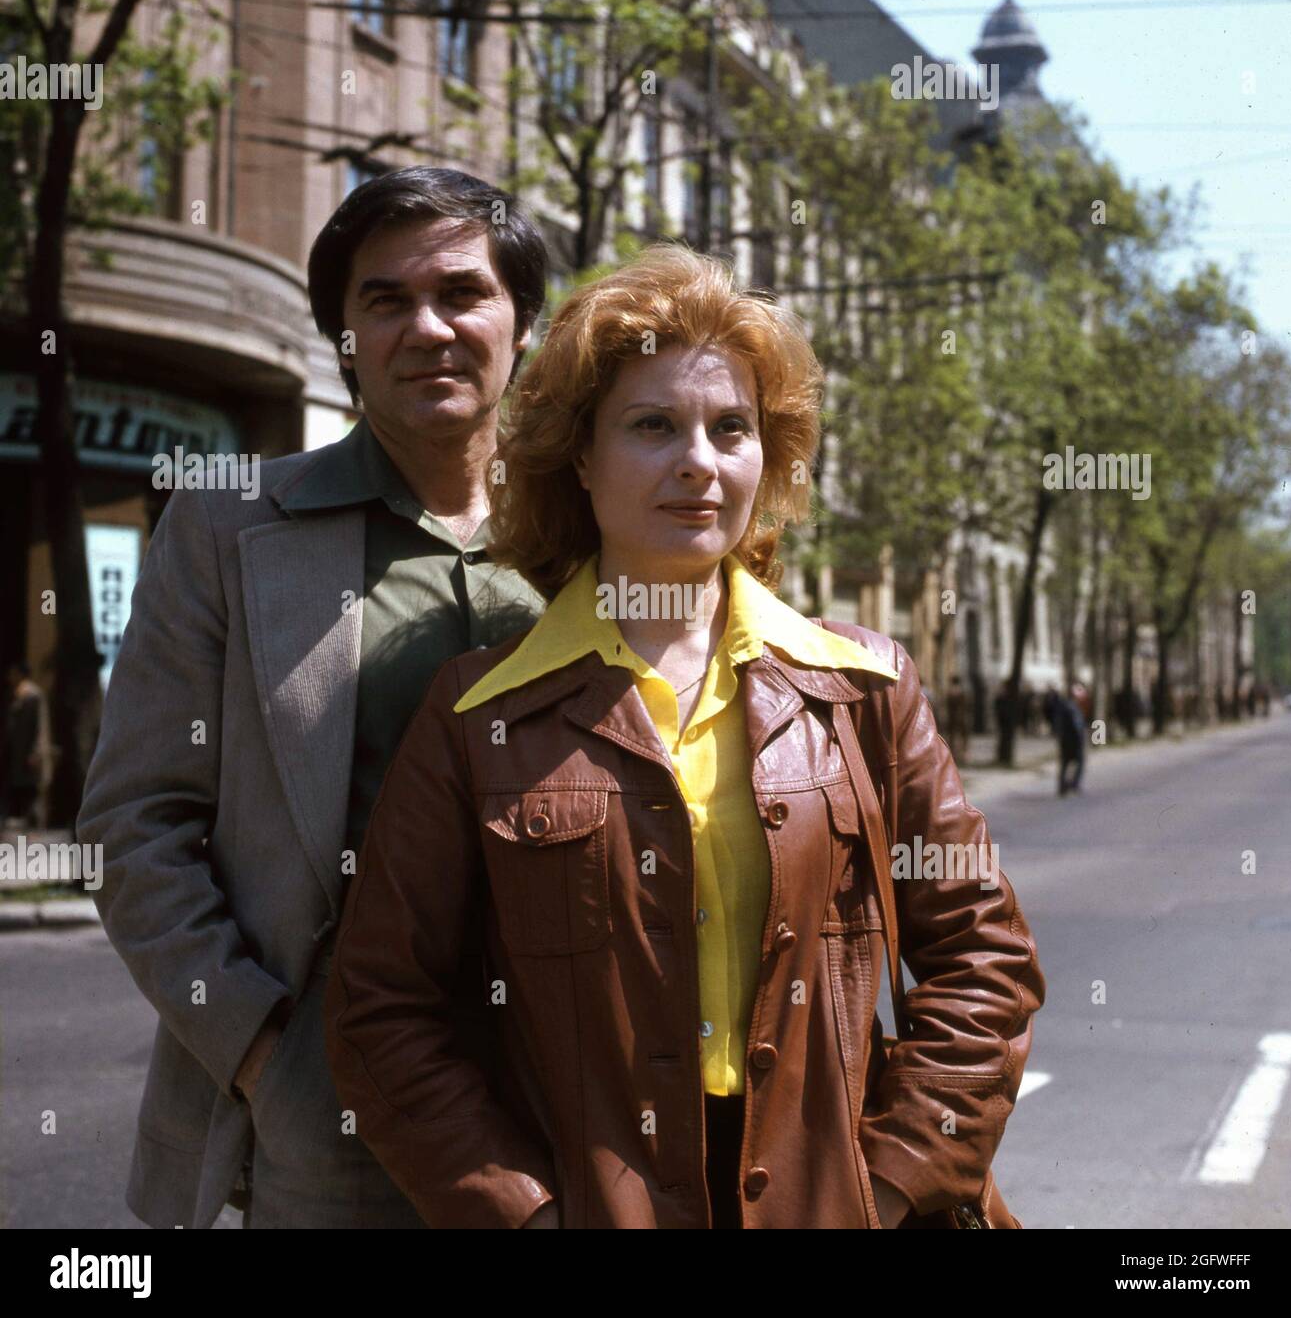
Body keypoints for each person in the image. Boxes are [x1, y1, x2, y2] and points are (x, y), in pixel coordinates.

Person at [325, 244, 1046, 1229]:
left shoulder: (865, 689)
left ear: (766, 456)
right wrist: (525, 1212)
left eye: (731, 427)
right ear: (581, 456)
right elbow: (379, 1007)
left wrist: (886, 1183)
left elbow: (983, 954)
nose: (698, 461)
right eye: (653, 425)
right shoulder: (478, 715)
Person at [76, 167, 549, 1228]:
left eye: (462, 293)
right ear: (342, 340)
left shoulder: (587, 542)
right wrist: (261, 1052)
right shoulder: (226, 530)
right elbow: (132, 825)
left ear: (524, 321)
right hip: (325, 1118)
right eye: (384, 301)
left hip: (568, 1099)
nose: (427, 327)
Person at [2, 663, 51, 829]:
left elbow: (36, 726)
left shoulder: (31, 695)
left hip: (27, 752)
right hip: (19, 752)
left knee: (30, 789)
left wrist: (34, 751)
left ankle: (34, 824)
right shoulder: (20, 694)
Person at [943, 674, 970, 765]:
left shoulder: (950, 692)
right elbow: (966, 705)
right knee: (962, 737)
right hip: (961, 717)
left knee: (952, 736)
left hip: (952, 717)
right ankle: (962, 755)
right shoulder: (962, 692)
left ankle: (953, 754)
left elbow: (946, 705)